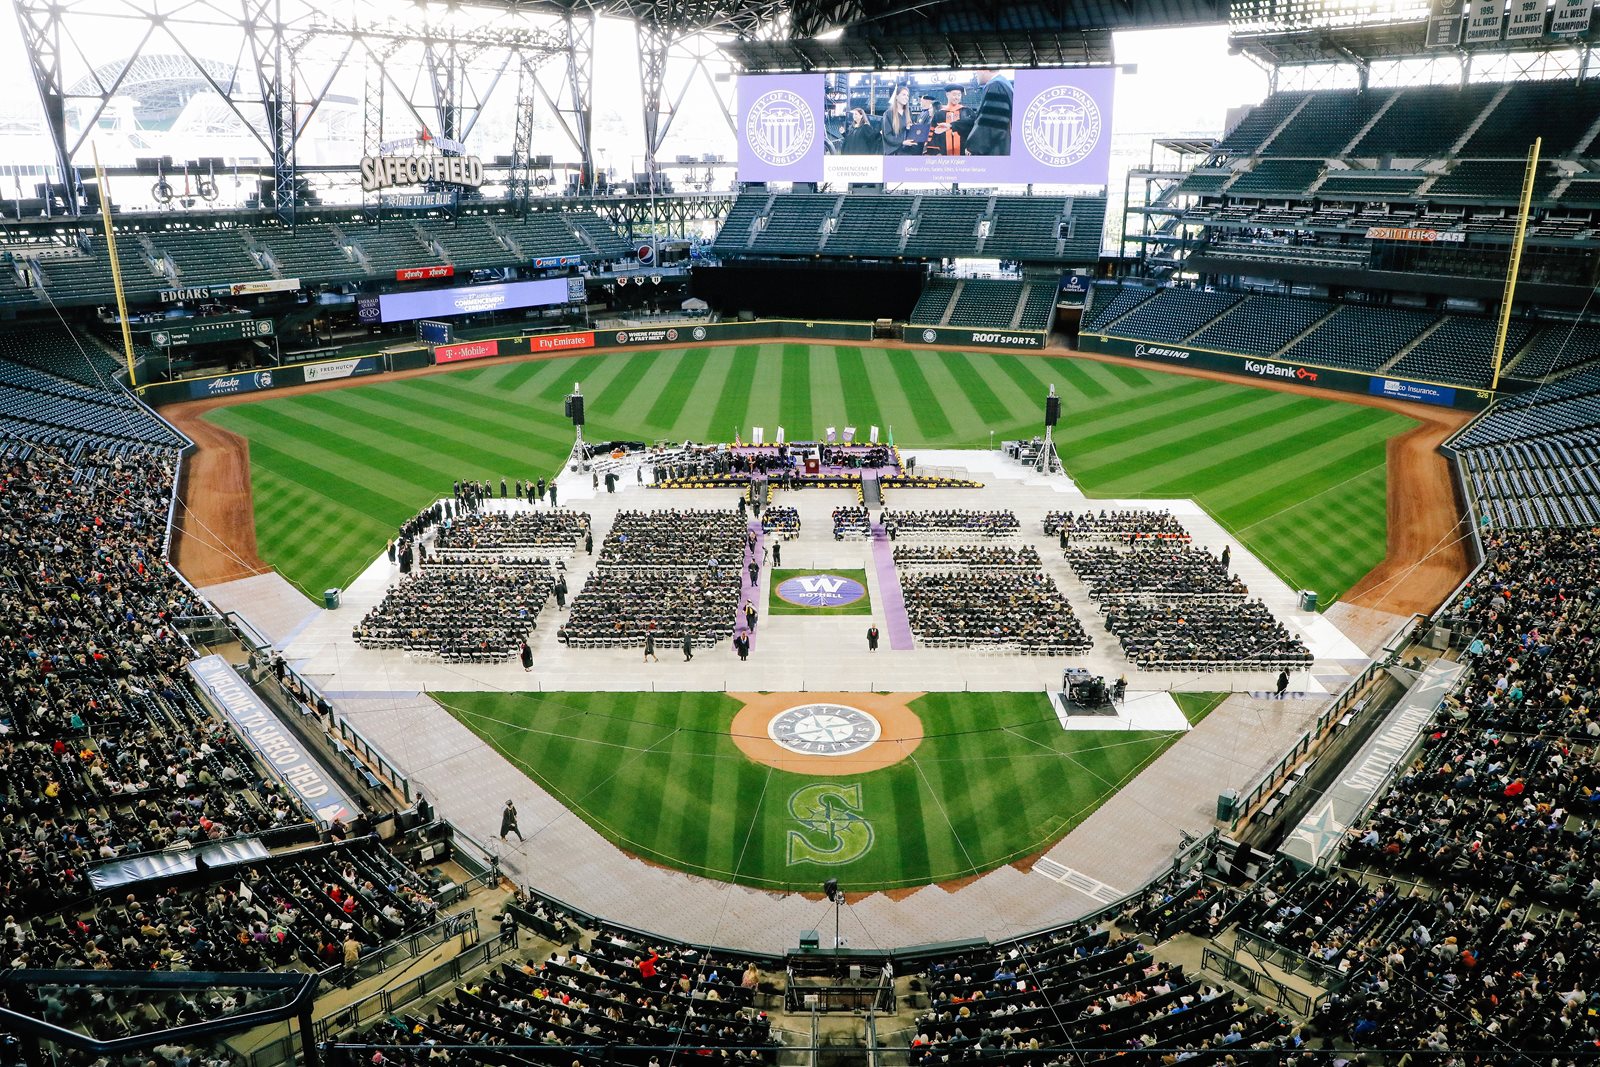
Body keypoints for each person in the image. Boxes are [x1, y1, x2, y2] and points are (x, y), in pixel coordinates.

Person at [965, 70, 1012, 156]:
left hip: (996, 150)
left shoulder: (996, 86)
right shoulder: (1003, 83)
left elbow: (992, 122)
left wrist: (974, 147)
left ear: (984, 69)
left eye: (976, 72)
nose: (976, 75)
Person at [881, 84, 917, 153]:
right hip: (894, 152)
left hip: (908, 151)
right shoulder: (888, 114)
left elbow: (910, 132)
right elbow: (887, 136)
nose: (906, 97)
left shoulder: (908, 112)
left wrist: (910, 128)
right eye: (903, 94)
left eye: (907, 95)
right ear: (896, 97)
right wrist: (902, 142)